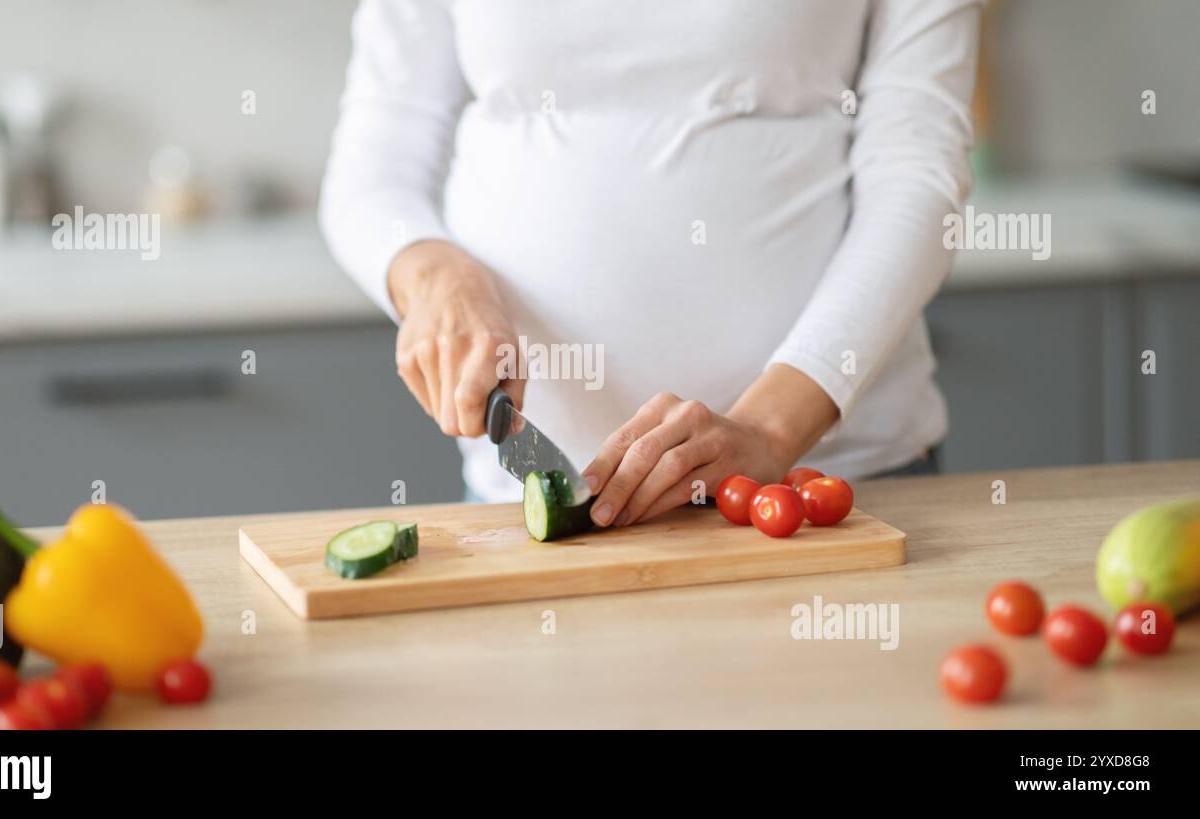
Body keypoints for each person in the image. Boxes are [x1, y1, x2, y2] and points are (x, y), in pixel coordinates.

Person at [320, 0, 980, 526]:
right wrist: (435, 276)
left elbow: (917, 167)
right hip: (536, 502)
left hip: (828, 489)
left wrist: (768, 427)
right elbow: (376, 162)